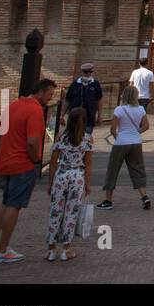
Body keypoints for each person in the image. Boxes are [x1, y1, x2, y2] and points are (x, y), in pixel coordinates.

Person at [0, 78, 57, 264]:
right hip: (22, 165)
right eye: (50, 94)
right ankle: (3, 250)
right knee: (14, 205)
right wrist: (35, 160)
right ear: (41, 91)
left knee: (5, 201)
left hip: (6, 162)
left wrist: (5, 151)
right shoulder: (34, 110)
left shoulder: (13, 105)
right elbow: (33, 142)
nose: (50, 99)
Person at [45, 107, 93, 261]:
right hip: (77, 176)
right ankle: (66, 248)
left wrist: (50, 181)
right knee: (71, 212)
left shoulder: (61, 137)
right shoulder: (87, 139)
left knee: (55, 211)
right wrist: (87, 184)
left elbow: (53, 162)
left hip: (61, 174)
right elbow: (88, 164)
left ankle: (51, 249)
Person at [99, 84, 151, 210]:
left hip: (121, 142)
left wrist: (119, 138)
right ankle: (144, 196)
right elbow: (146, 126)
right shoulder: (140, 109)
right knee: (138, 170)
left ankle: (108, 200)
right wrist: (136, 133)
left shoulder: (119, 110)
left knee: (113, 170)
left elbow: (113, 129)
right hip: (136, 142)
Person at [65, 63, 105, 133]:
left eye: (90, 72)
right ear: (82, 72)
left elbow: (99, 99)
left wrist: (99, 115)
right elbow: (67, 99)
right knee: (73, 135)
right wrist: (62, 115)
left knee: (87, 136)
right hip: (75, 117)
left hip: (89, 116)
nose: (88, 74)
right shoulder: (74, 84)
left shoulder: (96, 84)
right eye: (86, 72)